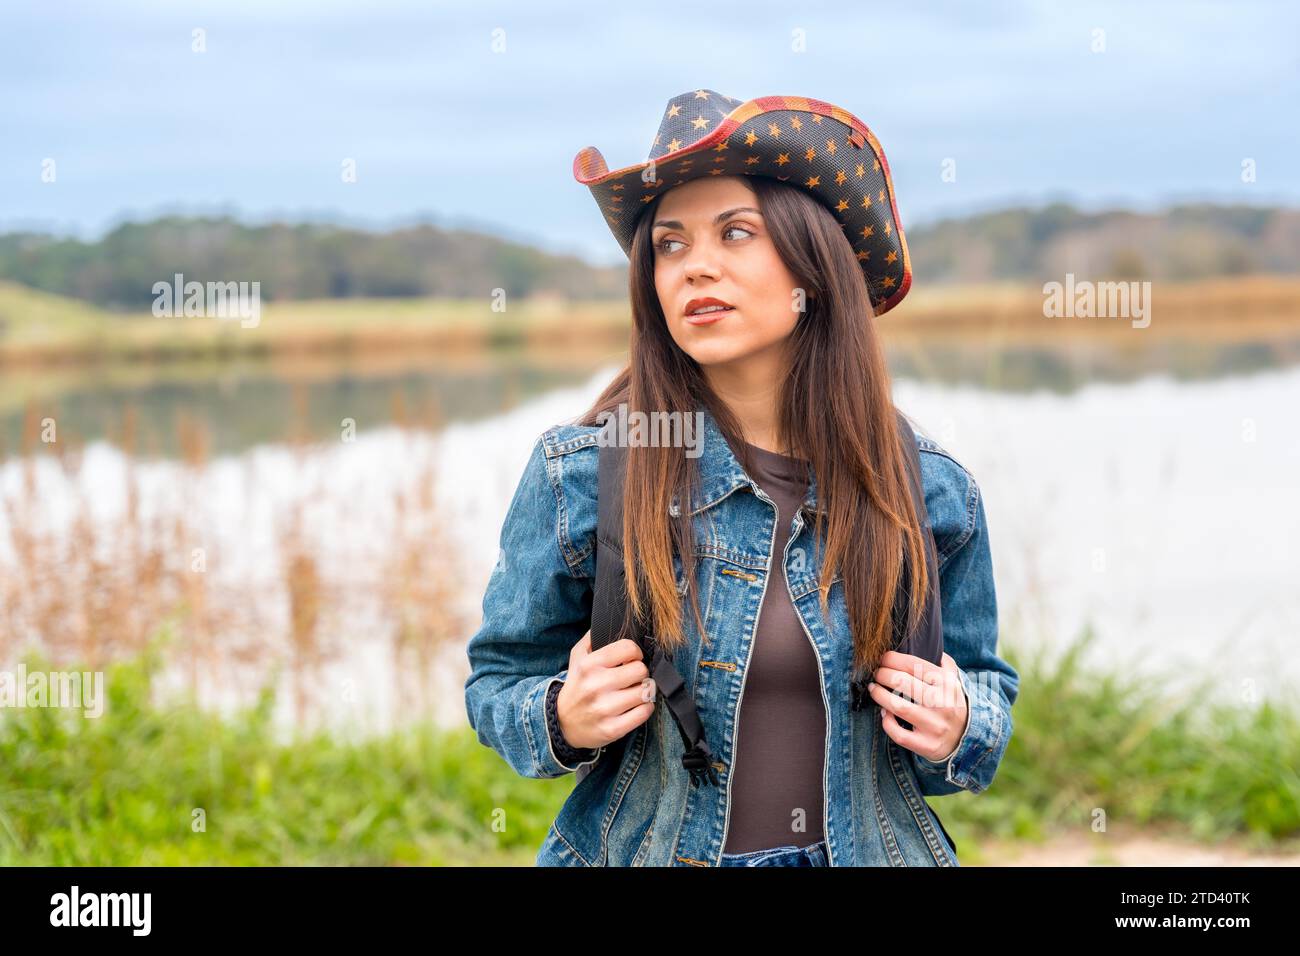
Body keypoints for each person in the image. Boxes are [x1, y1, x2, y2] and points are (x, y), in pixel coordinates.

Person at [464, 90, 1019, 867]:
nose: (697, 267)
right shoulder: (585, 472)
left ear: (813, 267)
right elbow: (498, 683)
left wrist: (961, 726)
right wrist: (562, 716)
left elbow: (982, 690)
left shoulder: (927, 488)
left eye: (735, 233)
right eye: (669, 244)